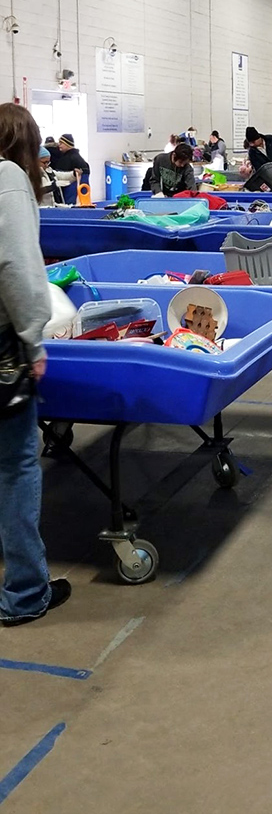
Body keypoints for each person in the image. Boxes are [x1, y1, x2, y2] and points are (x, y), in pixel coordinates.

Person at [0, 103, 72, 626]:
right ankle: (26, 592)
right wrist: (34, 342)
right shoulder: (6, 178)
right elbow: (18, 268)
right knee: (16, 465)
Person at [50, 133, 90, 205]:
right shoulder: (77, 157)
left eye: (61, 143)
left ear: (67, 144)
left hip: (71, 194)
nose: (59, 145)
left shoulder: (68, 159)